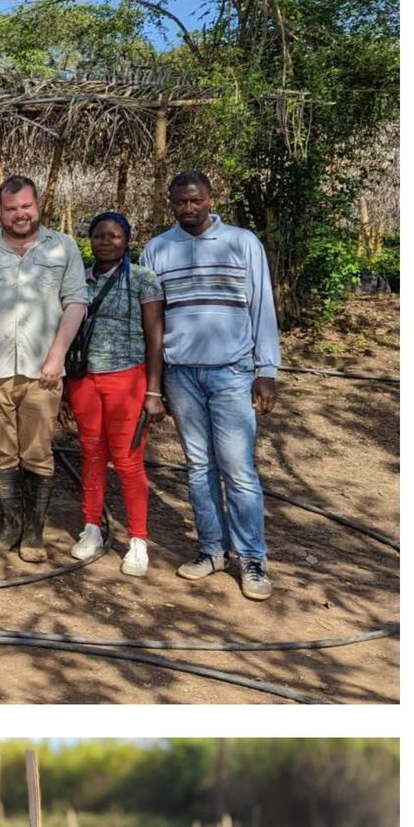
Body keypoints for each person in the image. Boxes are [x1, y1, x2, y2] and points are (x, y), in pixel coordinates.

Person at [141, 172, 282, 601]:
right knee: (198, 467)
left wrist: (267, 368)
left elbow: (262, 305)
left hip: (232, 371)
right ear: (171, 204)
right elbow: (153, 319)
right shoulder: (158, 249)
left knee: (238, 469)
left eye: (195, 200)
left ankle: (252, 558)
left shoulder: (242, 243)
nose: (188, 208)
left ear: (210, 199)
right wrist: (156, 381)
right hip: (182, 373)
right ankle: (211, 549)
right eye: (180, 202)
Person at [0, 175, 88, 561]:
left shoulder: (62, 248)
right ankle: (10, 525)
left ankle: (33, 533)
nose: (20, 214)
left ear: (38, 205)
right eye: (11, 208)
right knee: (1, 453)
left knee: (38, 452)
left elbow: (76, 303)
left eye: (26, 206)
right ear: (0, 210)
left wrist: (56, 356)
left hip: (42, 372)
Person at [63, 212, 165, 578]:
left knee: (128, 460)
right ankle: (91, 525)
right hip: (84, 379)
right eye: (99, 236)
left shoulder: (142, 278)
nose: (106, 242)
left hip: (128, 377)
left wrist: (154, 390)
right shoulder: (79, 280)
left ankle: (138, 539)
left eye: (115, 236)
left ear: (128, 240)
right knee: (91, 453)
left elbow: (155, 337)